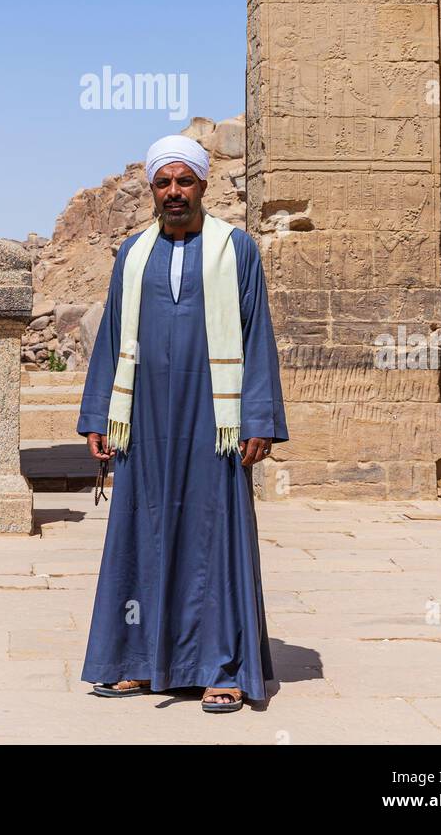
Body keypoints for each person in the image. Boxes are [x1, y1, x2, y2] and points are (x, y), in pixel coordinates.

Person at [77, 133, 288, 712]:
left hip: (213, 421)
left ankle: (220, 664)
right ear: (152, 188)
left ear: (202, 186)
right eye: (164, 182)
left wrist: (258, 417)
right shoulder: (132, 254)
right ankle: (140, 661)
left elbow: (256, 337)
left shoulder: (236, 249)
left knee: (211, 537)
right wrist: (99, 413)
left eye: (184, 181)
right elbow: (112, 340)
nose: (174, 192)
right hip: (143, 418)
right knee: (140, 532)